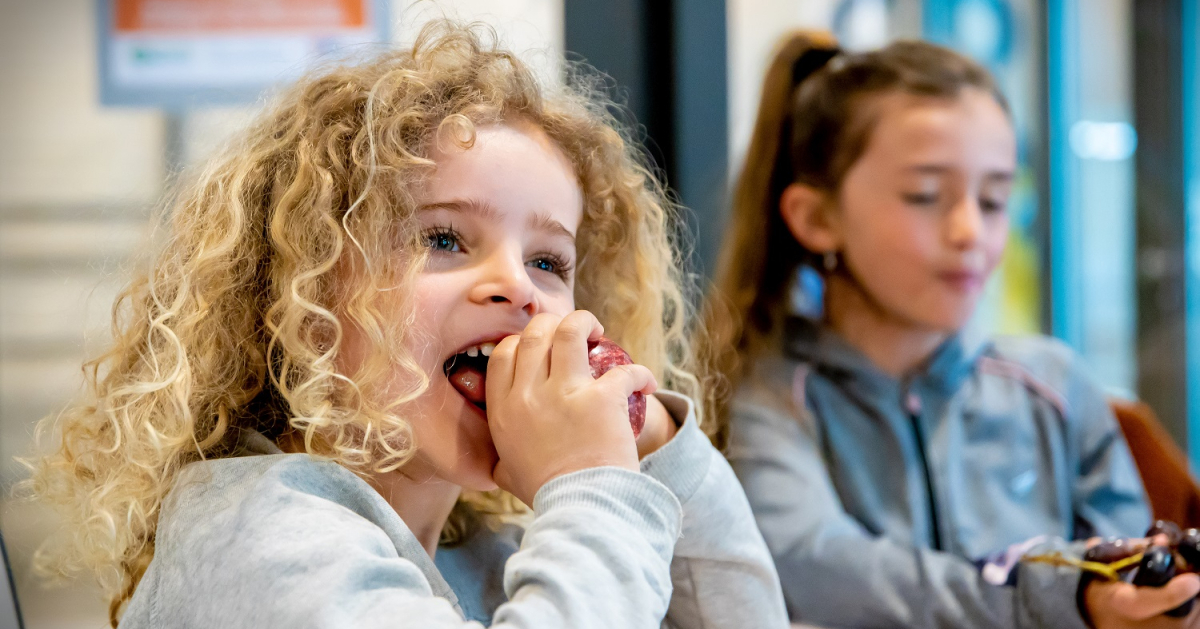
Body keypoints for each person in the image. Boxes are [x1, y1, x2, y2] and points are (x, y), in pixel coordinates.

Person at [23, 22, 787, 629]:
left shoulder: (491, 554)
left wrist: (657, 447)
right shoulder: (254, 537)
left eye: (549, 261)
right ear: (305, 299)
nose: (518, 286)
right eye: (444, 238)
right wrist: (594, 487)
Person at [705, 30, 1198, 628]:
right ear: (815, 217)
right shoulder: (763, 396)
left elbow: (1129, 578)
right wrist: (1058, 596)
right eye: (925, 195)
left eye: (993, 200)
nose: (970, 232)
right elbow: (816, 574)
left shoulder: (1056, 384)